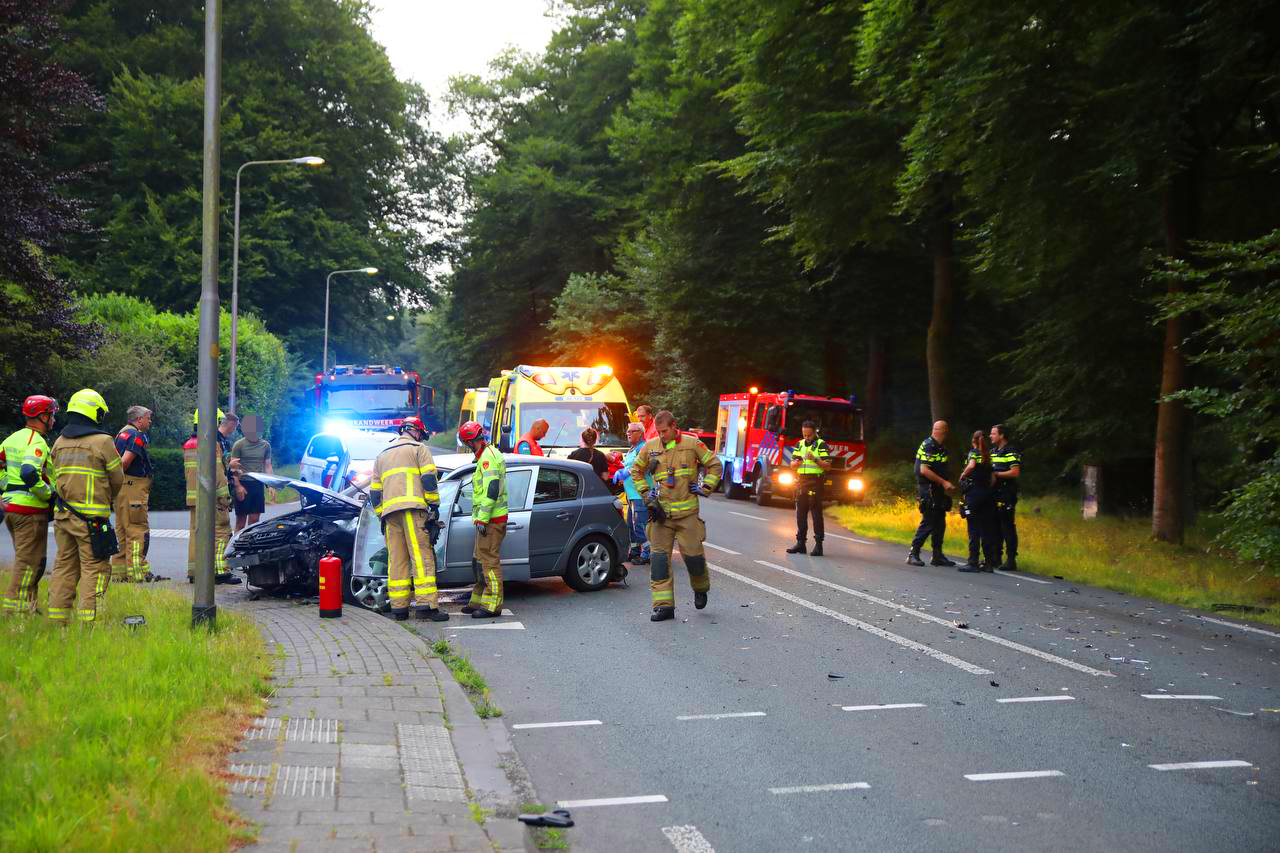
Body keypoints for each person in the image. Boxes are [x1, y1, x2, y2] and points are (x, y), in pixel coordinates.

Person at [630, 410, 722, 622]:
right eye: (659, 432)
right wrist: (646, 494)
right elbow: (636, 470)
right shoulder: (651, 446)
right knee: (659, 561)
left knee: (694, 559)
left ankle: (700, 588)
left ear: (674, 426)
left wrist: (705, 486)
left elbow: (714, 465)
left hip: (687, 515)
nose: (661, 436)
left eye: (664, 431)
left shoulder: (692, 444)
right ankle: (664, 607)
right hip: (661, 516)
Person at [48, 389, 123, 623]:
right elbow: (117, 478)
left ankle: (58, 622)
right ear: (94, 412)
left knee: (64, 568)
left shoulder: (59, 442)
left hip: (63, 518)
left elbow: (52, 477)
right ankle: (90, 624)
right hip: (92, 521)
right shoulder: (103, 441)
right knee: (96, 569)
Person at [370, 416, 446, 622]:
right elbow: (429, 479)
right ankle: (426, 606)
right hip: (413, 511)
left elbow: (375, 494)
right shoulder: (418, 449)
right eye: (421, 434)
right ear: (415, 431)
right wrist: (434, 505)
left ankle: (399, 609)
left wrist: (381, 514)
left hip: (390, 516)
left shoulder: (382, 456)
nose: (421, 438)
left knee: (397, 561)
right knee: (421, 558)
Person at [2, 395, 58, 614]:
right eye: (51, 415)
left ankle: (31, 607)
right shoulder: (36, 441)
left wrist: (9, 488)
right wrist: (47, 494)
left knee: (35, 561)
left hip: (12, 508)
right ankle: (13, 613)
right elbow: (28, 472)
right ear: (42, 416)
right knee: (27, 565)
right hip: (30, 512)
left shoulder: (11, 439)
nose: (53, 419)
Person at [458, 420, 507, 619]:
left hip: (491, 520)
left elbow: (492, 490)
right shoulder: (487, 455)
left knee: (489, 563)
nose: (468, 448)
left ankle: (493, 605)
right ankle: (478, 601)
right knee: (479, 562)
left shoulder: (488, 458)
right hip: (487, 520)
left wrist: (483, 519)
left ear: (472, 442)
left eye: (467, 444)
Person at [184, 409, 239, 585]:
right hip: (212, 498)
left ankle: (195, 571)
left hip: (194, 498)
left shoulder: (189, 444)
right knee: (222, 531)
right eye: (217, 422)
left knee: (196, 533)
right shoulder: (211, 444)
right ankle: (220, 570)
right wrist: (225, 498)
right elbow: (218, 474)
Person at [110, 406, 159, 583]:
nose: (150, 421)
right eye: (148, 418)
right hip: (133, 488)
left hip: (121, 489)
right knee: (137, 529)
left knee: (122, 530)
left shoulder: (121, 434)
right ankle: (137, 573)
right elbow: (124, 462)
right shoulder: (137, 436)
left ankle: (119, 572)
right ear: (139, 420)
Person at [907, 420, 956, 567]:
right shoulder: (930, 445)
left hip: (937, 489)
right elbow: (924, 470)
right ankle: (913, 553)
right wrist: (944, 482)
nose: (946, 433)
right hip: (928, 489)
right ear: (943, 431)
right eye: (944, 430)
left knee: (940, 522)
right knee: (929, 520)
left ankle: (937, 555)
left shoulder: (940, 447)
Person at [786, 419, 832, 557]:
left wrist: (815, 459)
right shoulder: (799, 445)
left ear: (815, 433)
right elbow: (792, 465)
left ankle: (819, 545)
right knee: (800, 513)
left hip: (815, 482)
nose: (806, 438)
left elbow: (828, 466)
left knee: (816, 514)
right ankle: (801, 544)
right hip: (801, 482)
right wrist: (796, 463)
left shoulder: (821, 445)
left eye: (809, 435)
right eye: (804, 435)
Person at [957, 430, 999, 572]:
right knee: (986, 530)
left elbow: (972, 465)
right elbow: (993, 479)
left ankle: (973, 562)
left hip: (974, 495)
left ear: (973, 441)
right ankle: (988, 563)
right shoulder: (988, 456)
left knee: (973, 529)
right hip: (988, 496)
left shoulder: (974, 453)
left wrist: (962, 475)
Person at [613, 421, 651, 565]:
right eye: (628, 431)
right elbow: (627, 465)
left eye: (632, 431)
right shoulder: (632, 448)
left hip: (640, 494)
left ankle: (647, 554)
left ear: (640, 433)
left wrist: (625, 473)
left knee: (640, 525)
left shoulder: (643, 448)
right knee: (631, 526)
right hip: (631, 495)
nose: (628, 433)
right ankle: (635, 551)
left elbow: (639, 466)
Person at [231, 414, 273, 531]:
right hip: (243, 483)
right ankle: (236, 547)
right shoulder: (239, 445)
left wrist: (270, 485)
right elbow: (233, 468)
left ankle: (249, 547)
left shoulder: (265, 445)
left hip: (258, 484)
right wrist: (238, 486)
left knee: (254, 521)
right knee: (241, 522)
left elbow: (268, 466)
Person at [990, 424, 1022, 571]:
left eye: (994, 434)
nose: (990, 436)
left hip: (1006, 493)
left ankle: (1011, 559)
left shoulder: (1010, 451)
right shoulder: (993, 452)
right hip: (993, 494)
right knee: (994, 526)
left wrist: (997, 475)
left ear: (1002, 435)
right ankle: (996, 557)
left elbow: (1015, 472)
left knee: (1007, 526)